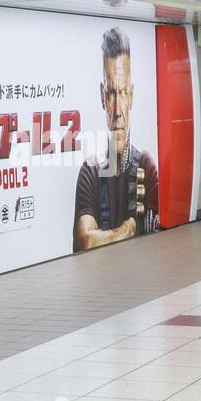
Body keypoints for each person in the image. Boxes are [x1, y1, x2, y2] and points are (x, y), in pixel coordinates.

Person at [73, 27, 160, 251]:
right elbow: (85, 242)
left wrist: (105, 236)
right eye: (112, 93)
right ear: (103, 97)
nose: (118, 111)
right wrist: (128, 230)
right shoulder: (90, 171)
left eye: (122, 93)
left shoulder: (146, 166)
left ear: (131, 96)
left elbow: (156, 241)